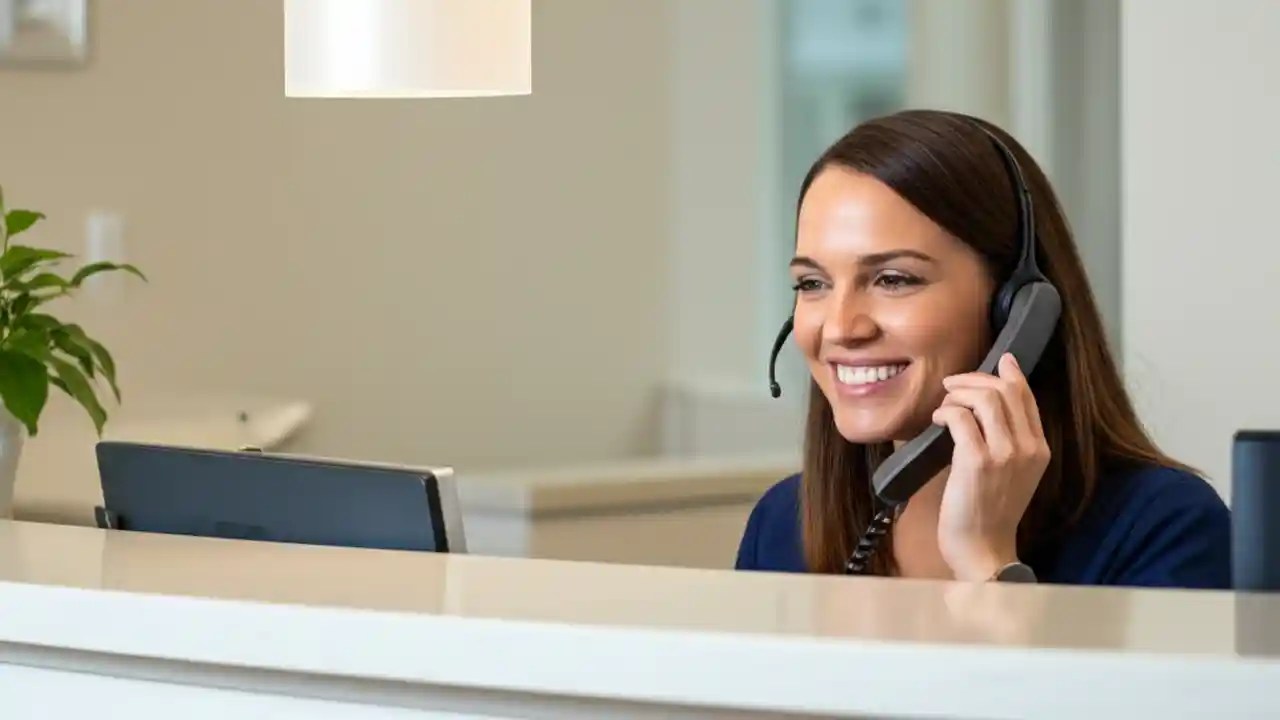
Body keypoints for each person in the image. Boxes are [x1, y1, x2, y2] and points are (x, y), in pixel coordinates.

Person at [736, 109, 1231, 587]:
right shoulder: (781, 525)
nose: (841, 327)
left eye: (892, 279)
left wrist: (987, 560)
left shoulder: (1167, 528)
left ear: (1017, 309)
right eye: (812, 283)